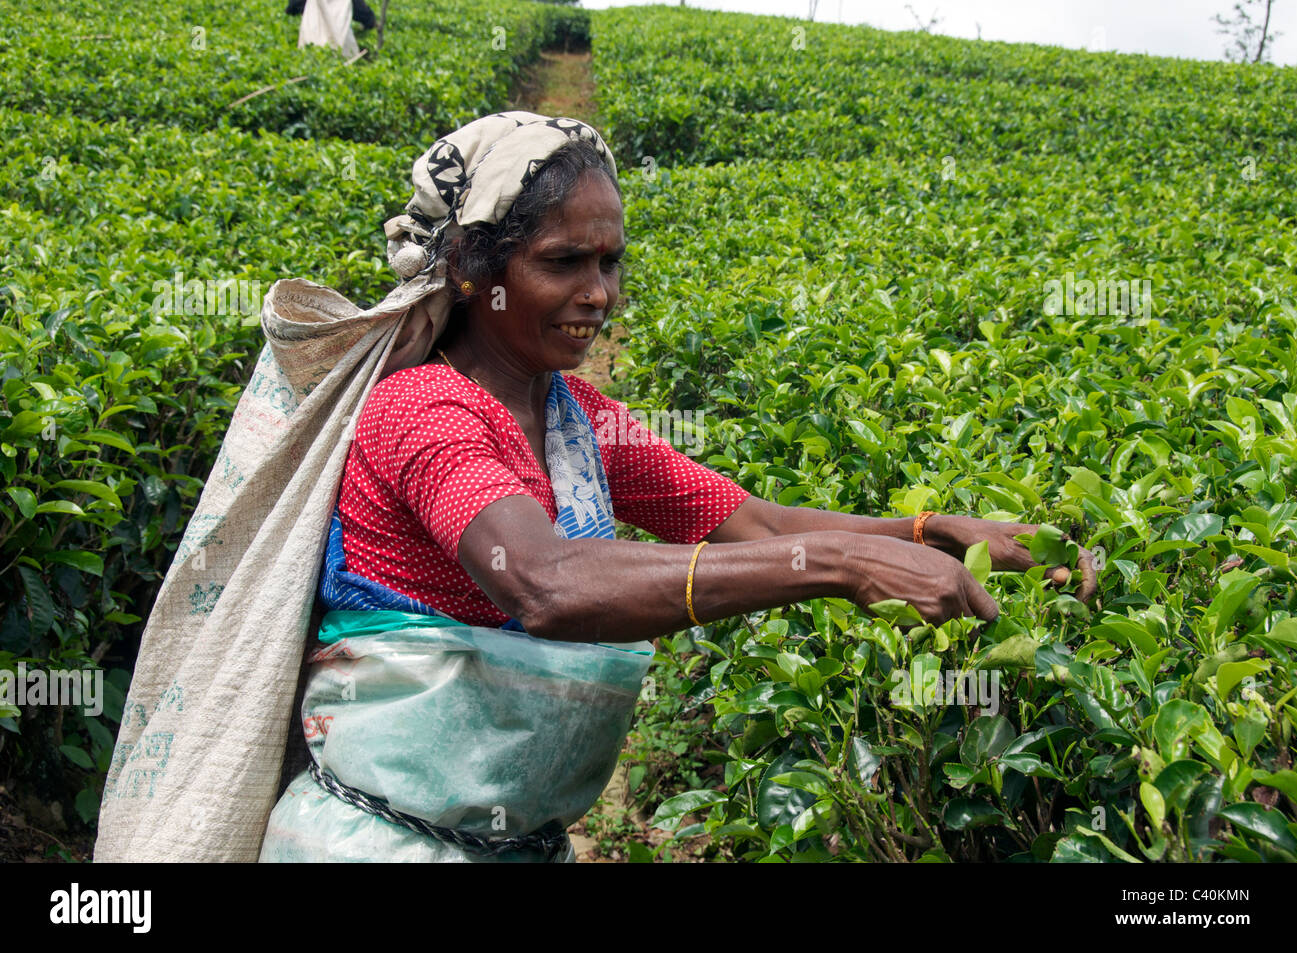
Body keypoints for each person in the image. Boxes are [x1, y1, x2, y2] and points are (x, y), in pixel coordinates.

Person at [260, 111, 1095, 862]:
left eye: (611, 263)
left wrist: (932, 533)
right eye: (564, 263)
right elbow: (544, 580)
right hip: (381, 843)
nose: (599, 294)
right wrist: (836, 565)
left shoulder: (574, 416)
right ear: (478, 271)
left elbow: (752, 522)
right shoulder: (424, 409)